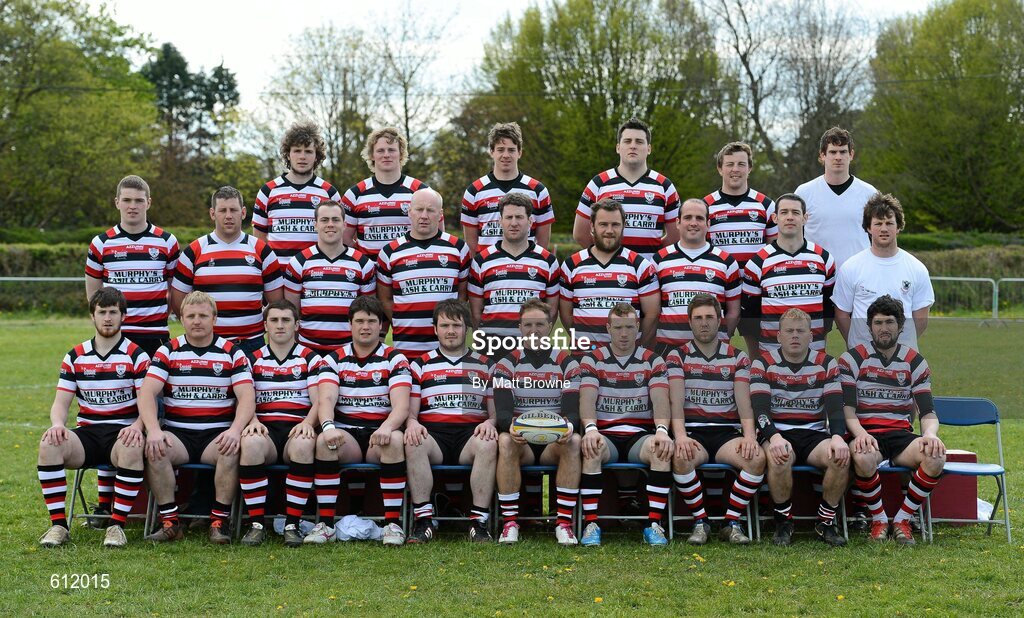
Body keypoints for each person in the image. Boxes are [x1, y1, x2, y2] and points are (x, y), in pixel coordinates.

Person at [84, 175, 178, 525]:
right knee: (113, 416)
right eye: (127, 200)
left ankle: (159, 496)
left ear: (149, 202)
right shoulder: (101, 243)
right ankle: (105, 502)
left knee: (154, 414)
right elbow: (94, 296)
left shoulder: (166, 242)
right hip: (117, 341)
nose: (133, 205)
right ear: (117, 202)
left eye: (139, 200)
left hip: (154, 339)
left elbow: (176, 288)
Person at [139, 291, 255, 544]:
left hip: (216, 434)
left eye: (203, 315)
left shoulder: (231, 352)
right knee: (155, 449)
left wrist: (235, 430)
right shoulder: (167, 352)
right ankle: (170, 522)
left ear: (215, 318)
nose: (197, 321)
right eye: (190, 316)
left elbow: (246, 397)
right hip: (179, 434)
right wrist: (154, 430)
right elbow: (147, 393)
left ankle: (218, 521)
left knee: (231, 449)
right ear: (181, 318)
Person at [37, 288, 149, 548]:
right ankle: (58, 526)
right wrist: (57, 425)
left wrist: (138, 426)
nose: (107, 318)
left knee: (132, 445)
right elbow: (61, 403)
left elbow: (147, 403)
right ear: (92, 316)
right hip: (87, 434)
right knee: (48, 443)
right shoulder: (75, 356)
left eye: (113, 312)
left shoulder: (136, 355)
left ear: (123, 316)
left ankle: (116, 526)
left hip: (122, 432)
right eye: (102, 312)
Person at [305, 296, 411, 546]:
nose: (366, 326)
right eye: (360, 321)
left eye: (372, 321)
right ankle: (327, 524)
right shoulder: (333, 359)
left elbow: (401, 406)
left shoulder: (395, 358)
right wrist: (328, 427)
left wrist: (386, 427)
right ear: (350, 324)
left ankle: (392, 524)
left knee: (395, 440)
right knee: (324, 441)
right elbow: (326, 399)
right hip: (348, 434)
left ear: (381, 326)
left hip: (379, 432)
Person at [840, 295, 944, 545]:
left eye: (889, 322)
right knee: (864, 456)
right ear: (869, 326)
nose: (883, 328)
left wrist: (930, 434)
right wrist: (860, 434)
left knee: (936, 456)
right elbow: (848, 411)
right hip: (866, 432)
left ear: (900, 326)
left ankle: (902, 520)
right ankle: (878, 520)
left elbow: (928, 412)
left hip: (900, 435)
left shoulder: (915, 362)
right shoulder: (852, 359)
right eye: (877, 323)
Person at [667, 294, 766, 545]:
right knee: (680, 457)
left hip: (725, 433)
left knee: (756, 459)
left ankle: (730, 523)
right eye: (698, 318)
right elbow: (675, 403)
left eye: (709, 317)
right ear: (689, 322)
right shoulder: (677, 356)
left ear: (720, 320)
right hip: (693, 431)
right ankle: (701, 522)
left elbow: (745, 403)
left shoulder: (738, 357)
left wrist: (750, 436)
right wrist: (679, 437)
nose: (704, 323)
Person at [578, 303, 674, 546]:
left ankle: (653, 524)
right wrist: (590, 429)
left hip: (638, 435)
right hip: (605, 434)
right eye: (618, 327)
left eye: (629, 327)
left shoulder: (653, 360)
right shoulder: (592, 359)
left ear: (638, 327)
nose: (624, 334)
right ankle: (591, 524)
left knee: (660, 449)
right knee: (591, 448)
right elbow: (587, 400)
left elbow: (661, 401)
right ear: (608, 328)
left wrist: (662, 430)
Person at [751, 308, 849, 547]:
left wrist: (837, 437)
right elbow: (760, 411)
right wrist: (773, 438)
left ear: (811, 336)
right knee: (780, 457)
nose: (795, 335)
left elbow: (836, 409)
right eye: (789, 331)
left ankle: (825, 522)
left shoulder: (826, 363)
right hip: (778, 432)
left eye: (800, 331)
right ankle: (784, 522)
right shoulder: (762, 363)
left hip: (814, 432)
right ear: (779, 336)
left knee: (839, 456)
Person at [404, 300, 497, 543]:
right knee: (413, 441)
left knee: (488, 443)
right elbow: (412, 415)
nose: (451, 331)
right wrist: (412, 423)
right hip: (434, 434)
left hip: (470, 434)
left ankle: (479, 523)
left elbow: (495, 413)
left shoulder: (485, 364)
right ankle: (423, 521)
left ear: (467, 329)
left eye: (457, 325)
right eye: (444, 325)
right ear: (435, 329)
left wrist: (491, 422)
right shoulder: (420, 364)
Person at [491, 299, 582, 545]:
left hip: (554, 441)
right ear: (519, 327)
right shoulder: (505, 364)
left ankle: (564, 523)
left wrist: (568, 427)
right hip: (523, 442)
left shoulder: (568, 362)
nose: (534, 330)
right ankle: (510, 523)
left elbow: (573, 411)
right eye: (528, 324)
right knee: (505, 440)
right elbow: (502, 412)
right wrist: (509, 427)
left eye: (540, 324)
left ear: (550, 326)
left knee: (574, 441)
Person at [237, 300, 321, 547]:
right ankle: (256, 524)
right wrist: (251, 420)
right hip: (265, 429)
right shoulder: (250, 359)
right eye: (274, 320)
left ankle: (292, 524)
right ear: (265, 325)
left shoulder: (311, 358)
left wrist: (308, 422)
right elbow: (243, 397)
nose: (280, 325)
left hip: (297, 426)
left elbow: (319, 401)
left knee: (304, 444)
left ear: (297, 325)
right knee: (251, 443)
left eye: (286, 320)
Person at [172, 186, 284, 359]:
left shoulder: (262, 250)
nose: (228, 215)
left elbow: (276, 304)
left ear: (244, 212)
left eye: (234, 210)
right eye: (222, 210)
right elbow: (179, 303)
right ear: (212, 213)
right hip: (208, 344)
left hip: (252, 344)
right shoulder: (194, 251)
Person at [377, 188, 470, 361]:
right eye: (419, 209)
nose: (424, 215)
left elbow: (462, 296)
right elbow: (385, 300)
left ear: (440, 214)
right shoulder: (389, 252)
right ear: (409, 212)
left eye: (431, 210)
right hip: (406, 346)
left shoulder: (458, 248)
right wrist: (404, 322)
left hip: (448, 347)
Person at [833, 192, 934, 350]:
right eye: (878, 223)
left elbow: (921, 319)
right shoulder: (851, 267)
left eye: (889, 223)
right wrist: (857, 346)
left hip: (903, 361)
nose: (884, 229)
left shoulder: (916, 268)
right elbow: (841, 315)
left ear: (899, 227)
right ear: (868, 228)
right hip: (862, 360)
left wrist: (898, 347)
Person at [572, 117, 680, 262]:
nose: (633, 146)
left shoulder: (665, 186)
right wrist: (604, 256)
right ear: (618, 147)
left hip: (650, 275)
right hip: (610, 274)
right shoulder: (598, 183)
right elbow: (580, 233)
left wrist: (652, 260)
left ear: (649, 149)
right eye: (627, 141)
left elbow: (675, 236)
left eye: (639, 141)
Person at [703, 142, 777, 353]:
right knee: (715, 349)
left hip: (754, 291)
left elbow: (773, 250)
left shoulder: (765, 205)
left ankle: (757, 385)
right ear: (720, 168)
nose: (735, 169)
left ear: (749, 168)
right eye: (730, 164)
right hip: (718, 289)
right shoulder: (707, 205)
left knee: (759, 353)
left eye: (741, 164)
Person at [560, 199, 660, 352]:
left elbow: (652, 315)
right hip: (583, 359)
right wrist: (586, 344)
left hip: (628, 362)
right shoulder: (571, 265)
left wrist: (635, 349)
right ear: (592, 226)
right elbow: (566, 314)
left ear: (623, 226)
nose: (609, 230)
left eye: (615, 224)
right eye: (603, 224)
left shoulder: (640, 266)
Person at [742, 193, 835, 356]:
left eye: (796, 213)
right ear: (775, 218)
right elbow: (750, 317)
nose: (790, 217)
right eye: (784, 212)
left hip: (815, 357)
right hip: (771, 360)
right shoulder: (757, 262)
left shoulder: (824, 258)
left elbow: (829, 310)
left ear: (805, 218)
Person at [469, 193, 560, 360]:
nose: (513, 223)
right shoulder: (481, 261)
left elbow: (552, 310)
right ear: (500, 221)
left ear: (530, 221)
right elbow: (475, 313)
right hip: (491, 346)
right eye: (508, 217)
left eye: (519, 217)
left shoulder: (548, 261)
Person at [283, 200, 376, 354]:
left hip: (349, 351)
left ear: (345, 224)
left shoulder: (363, 263)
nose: (330, 224)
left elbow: (369, 311)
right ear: (315, 225)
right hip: (308, 351)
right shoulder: (299, 262)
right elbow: (292, 312)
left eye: (336, 219)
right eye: (324, 220)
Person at [652, 198, 740, 355]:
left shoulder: (726, 261)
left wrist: (721, 338)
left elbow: (734, 311)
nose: (693, 223)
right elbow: (652, 309)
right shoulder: (659, 259)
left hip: (712, 350)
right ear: (678, 223)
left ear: (708, 224)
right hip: (667, 349)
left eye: (699, 218)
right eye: (687, 217)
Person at [253, 120, 340, 267]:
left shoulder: (329, 193)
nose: (302, 156)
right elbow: (259, 241)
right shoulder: (267, 191)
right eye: (297, 151)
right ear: (288, 154)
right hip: (277, 275)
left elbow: (338, 238)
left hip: (316, 274)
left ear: (317, 156)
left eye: (308, 151)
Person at [461, 121, 554, 254]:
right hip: (488, 270)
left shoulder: (538, 191)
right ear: (491, 152)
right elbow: (471, 247)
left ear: (520, 152)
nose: (506, 155)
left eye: (511, 150)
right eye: (500, 149)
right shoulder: (474, 191)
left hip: (527, 271)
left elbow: (543, 245)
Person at [794, 126, 878, 268]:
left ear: (851, 155)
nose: (838, 157)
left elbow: (879, 238)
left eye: (843, 152)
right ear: (822, 155)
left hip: (859, 276)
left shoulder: (869, 193)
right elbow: (793, 238)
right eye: (832, 152)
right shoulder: (804, 192)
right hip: (816, 276)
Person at [342, 127, 430, 261]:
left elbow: (436, 235)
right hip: (368, 273)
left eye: (392, 150)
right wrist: (363, 261)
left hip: (407, 271)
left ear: (401, 153)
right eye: (380, 150)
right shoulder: (354, 194)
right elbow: (345, 238)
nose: (386, 154)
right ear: (372, 155)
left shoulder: (421, 191)